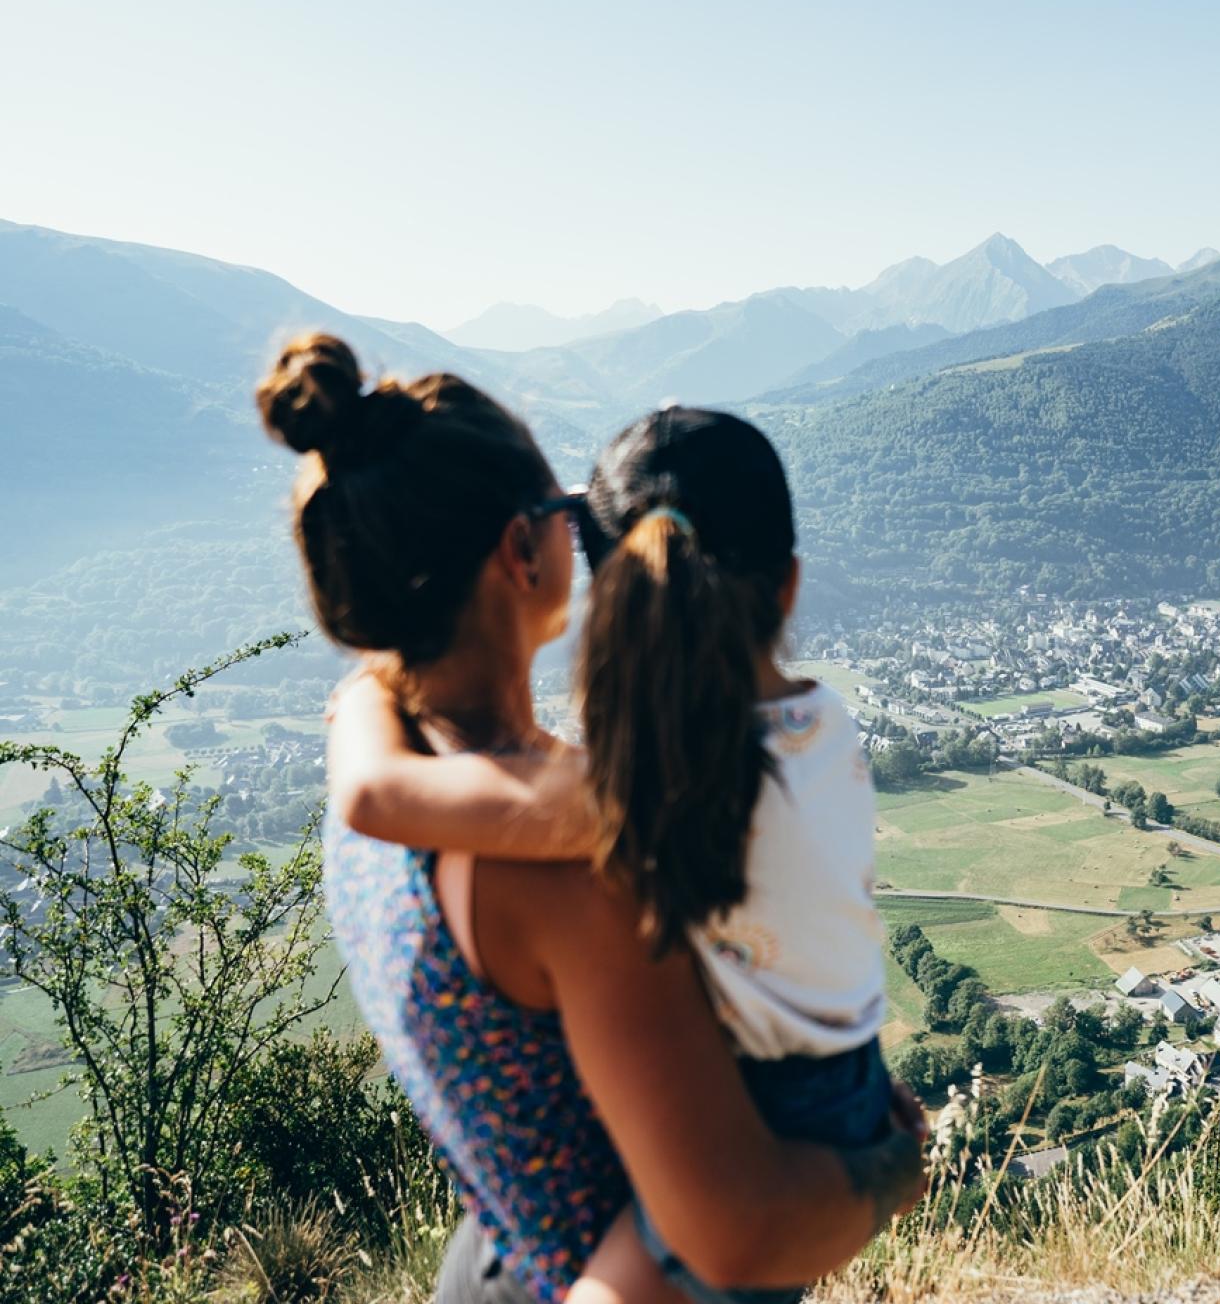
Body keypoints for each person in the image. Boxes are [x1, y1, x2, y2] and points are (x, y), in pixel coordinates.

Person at [256, 335, 923, 1304]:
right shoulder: (567, 870)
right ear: (521, 550)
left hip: (493, 1266)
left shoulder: (386, 767)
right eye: (566, 513)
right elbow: (734, 1231)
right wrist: (890, 1170)